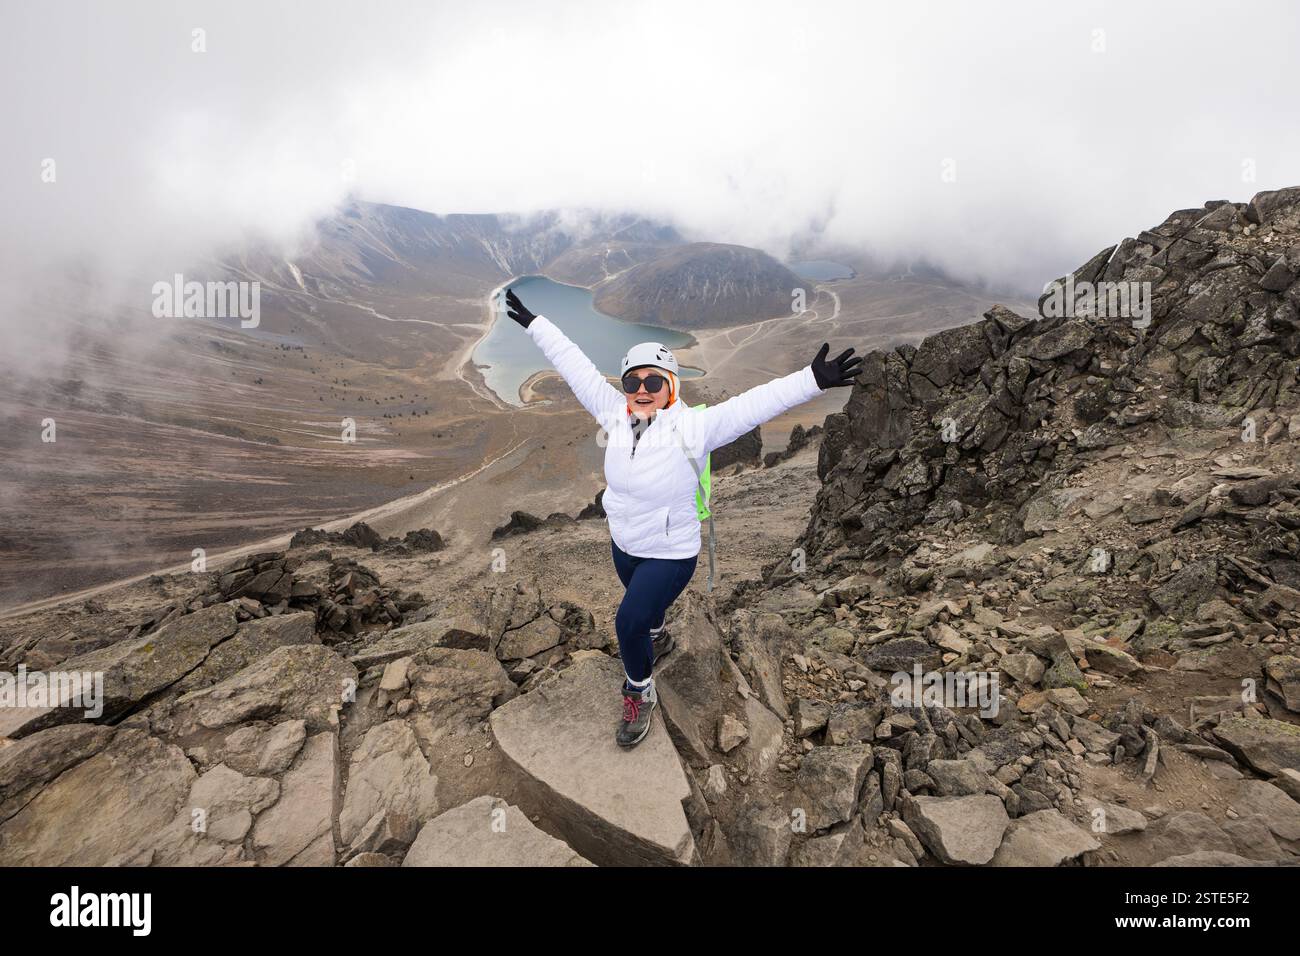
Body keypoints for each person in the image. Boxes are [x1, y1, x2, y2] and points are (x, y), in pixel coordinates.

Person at [504, 287, 862, 747]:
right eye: (632, 382)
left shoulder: (695, 427)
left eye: (653, 382)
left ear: (672, 386)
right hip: (625, 545)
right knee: (645, 617)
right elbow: (576, 368)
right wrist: (538, 324)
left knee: (627, 622)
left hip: (670, 553)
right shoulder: (614, 413)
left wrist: (812, 379)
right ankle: (657, 634)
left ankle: (640, 691)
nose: (641, 390)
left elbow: (755, 403)